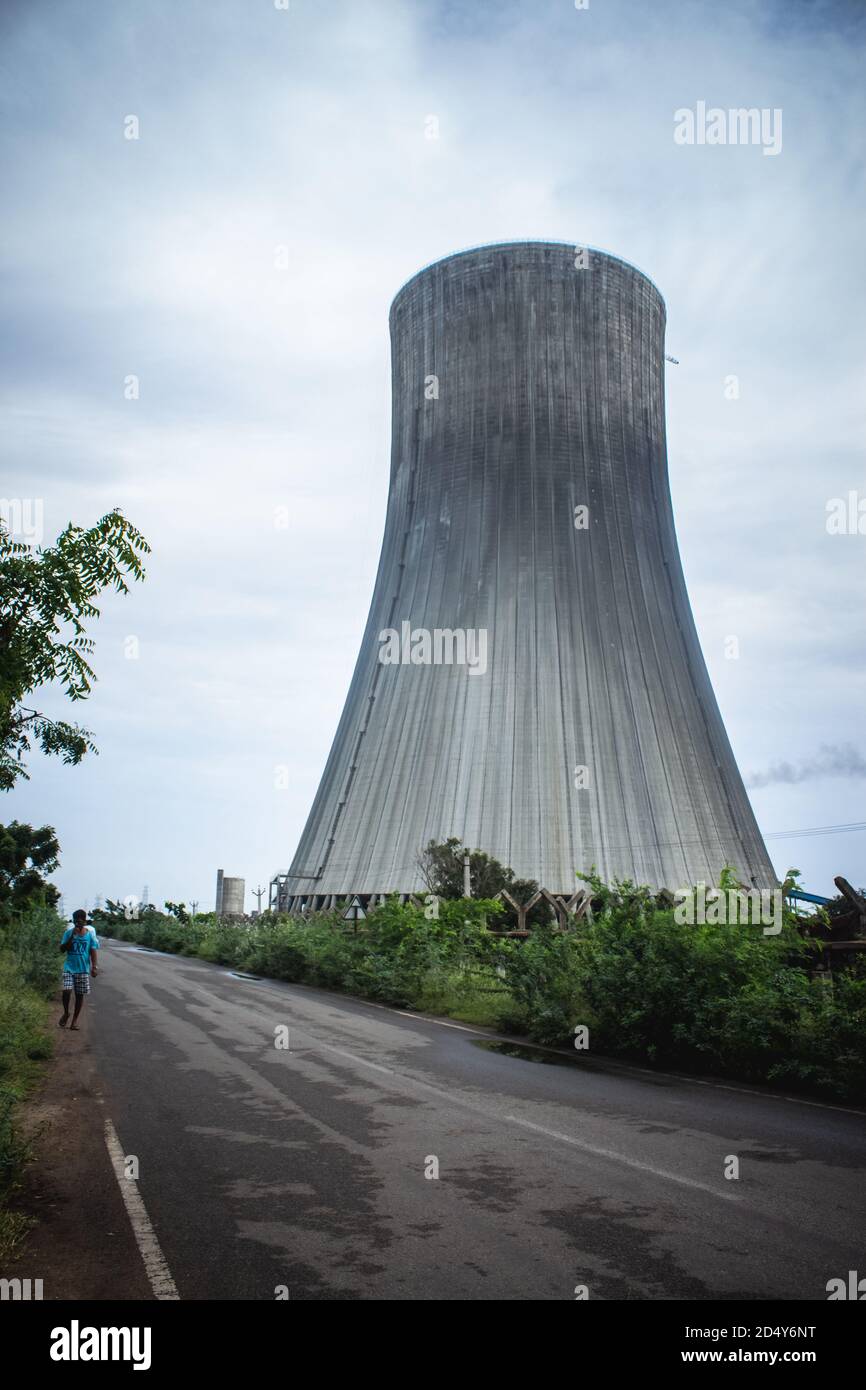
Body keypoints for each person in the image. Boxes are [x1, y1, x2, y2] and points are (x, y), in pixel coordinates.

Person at [59, 909, 99, 1030]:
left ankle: (74, 1021)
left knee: (79, 996)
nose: (78, 922)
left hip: (82, 970)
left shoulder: (89, 935)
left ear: (85, 921)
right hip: (69, 968)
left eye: (81, 920)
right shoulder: (68, 933)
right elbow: (62, 949)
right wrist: (72, 937)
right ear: (74, 921)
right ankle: (66, 1013)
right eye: (76, 920)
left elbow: (93, 951)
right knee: (66, 990)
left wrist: (94, 967)